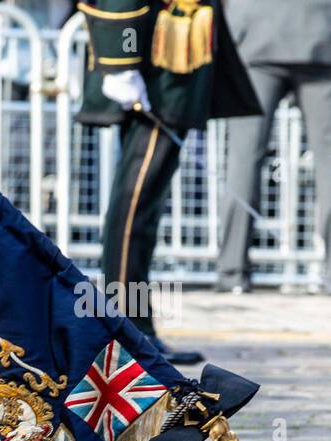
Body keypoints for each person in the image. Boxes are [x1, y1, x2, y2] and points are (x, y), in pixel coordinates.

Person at [76, 0, 260, 365]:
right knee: (134, 207)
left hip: (176, 68)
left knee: (145, 209)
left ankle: (137, 326)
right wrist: (120, 63)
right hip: (156, 72)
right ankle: (125, 326)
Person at [217, 0, 331, 293]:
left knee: (243, 161)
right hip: (321, 31)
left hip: (256, 32)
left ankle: (232, 272)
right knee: (329, 165)